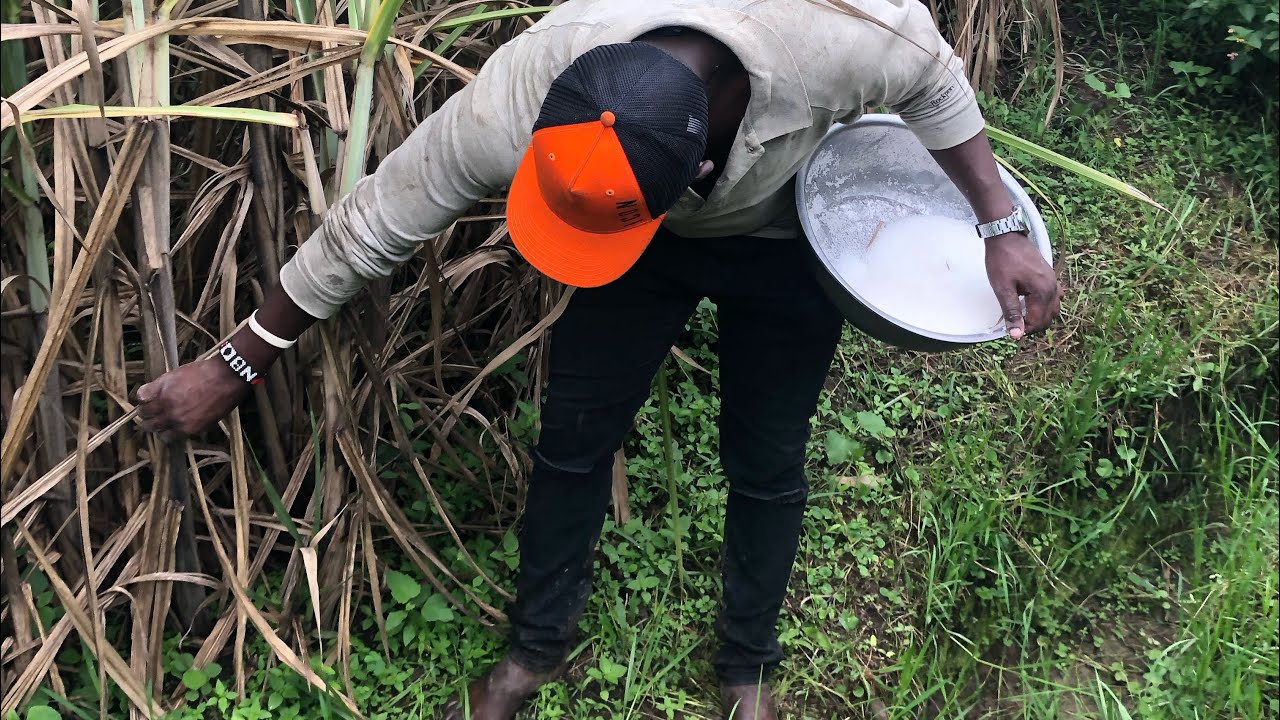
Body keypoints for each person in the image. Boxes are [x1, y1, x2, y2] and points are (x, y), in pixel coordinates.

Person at [136, 1, 1063, 718]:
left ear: (699, 173)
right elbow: (372, 220)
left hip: (787, 241)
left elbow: (935, 80)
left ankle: (746, 668)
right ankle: (533, 652)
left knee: (768, 456)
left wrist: (1000, 224)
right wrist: (235, 362)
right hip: (644, 254)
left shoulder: (843, 37)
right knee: (573, 439)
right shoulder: (527, 88)